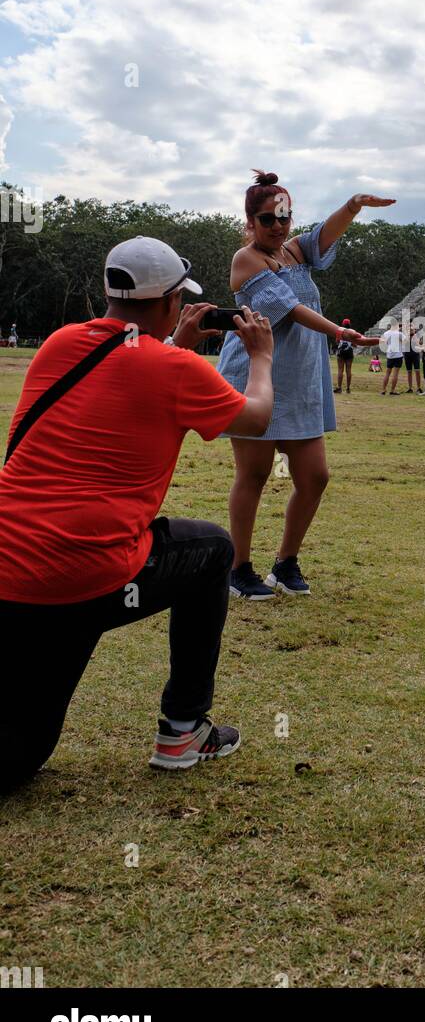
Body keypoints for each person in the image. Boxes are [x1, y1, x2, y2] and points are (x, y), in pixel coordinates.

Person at [0, 236, 275, 789]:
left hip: (8, 567)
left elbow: (124, 367)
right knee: (213, 549)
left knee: (16, 754)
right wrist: (262, 357)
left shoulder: (58, 344)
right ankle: (182, 730)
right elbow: (256, 419)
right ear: (173, 300)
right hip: (81, 574)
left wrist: (174, 343)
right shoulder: (177, 369)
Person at [216, 172, 391, 599]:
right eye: (267, 219)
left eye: (284, 217)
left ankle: (286, 563)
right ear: (249, 221)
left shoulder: (295, 251)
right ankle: (239, 568)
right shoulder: (246, 260)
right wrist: (339, 331)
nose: (278, 227)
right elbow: (290, 309)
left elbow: (323, 236)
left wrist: (352, 207)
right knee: (254, 474)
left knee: (314, 477)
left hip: (300, 377)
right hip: (256, 374)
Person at [378, 321, 406, 395]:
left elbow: (384, 342)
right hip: (398, 355)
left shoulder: (386, 333)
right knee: (395, 374)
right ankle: (392, 390)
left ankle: (383, 390)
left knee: (387, 373)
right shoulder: (399, 334)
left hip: (390, 355)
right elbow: (406, 342)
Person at [334, 317, 355, 394]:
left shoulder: (340, 330)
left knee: (340, 370)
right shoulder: (353, 331)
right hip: (349, 351)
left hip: (341, 351)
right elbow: (354, 344)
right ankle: (348, 388)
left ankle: (339, 388)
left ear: (343, 324)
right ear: (349, 324)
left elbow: (337, 341)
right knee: (348, 370)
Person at [403, 322, 423, 395]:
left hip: (415, 355)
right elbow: (404, 342)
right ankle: (410, 388)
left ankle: (418, 388)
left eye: (412, 328)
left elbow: (419, 344)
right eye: (409, 328)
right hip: (407, 355)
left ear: (414, 329)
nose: (410, 329)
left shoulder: (416, 336)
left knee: (417, 371)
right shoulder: (405, 336)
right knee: (409, 372)